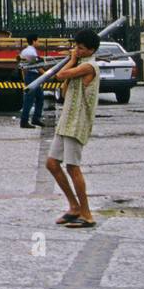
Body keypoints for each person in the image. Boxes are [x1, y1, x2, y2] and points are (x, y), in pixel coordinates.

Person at [47, 29, 101, 229]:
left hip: (78, 122)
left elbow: (60, 75)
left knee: (72, 167)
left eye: (81, 48)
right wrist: (73, 60)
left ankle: (87, 214)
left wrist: (70, 60)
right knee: (52, 163)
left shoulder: (89, 66)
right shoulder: (80, 63)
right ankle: (74, 206)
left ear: (91, 50)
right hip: (66, 121)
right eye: (75, 47)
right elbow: (63, 89)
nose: (77, 50)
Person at [18, 34, 45, 128]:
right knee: (29, 99)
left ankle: (36, 119)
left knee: (40, 97)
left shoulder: (25, 51)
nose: (39, 42)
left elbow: (22, 66)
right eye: (38, 41)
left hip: (30, 75)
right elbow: (37, 66)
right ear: (33, 41)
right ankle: (24, 121)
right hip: (32, 76)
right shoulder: (31, 52)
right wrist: (47, 75)